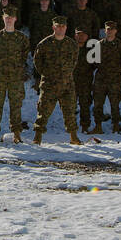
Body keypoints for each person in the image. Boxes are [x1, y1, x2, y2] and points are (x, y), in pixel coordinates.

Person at [31, 16, 82, 145]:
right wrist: (48, 74)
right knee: (43, 110)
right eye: (58, 26)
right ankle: (37, 137)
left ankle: (73, 137)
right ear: (53, 27)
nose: (60, 29)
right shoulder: (44, 44)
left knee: (70, 110)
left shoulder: (71, 44)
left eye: (63, 26)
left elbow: (74, 62)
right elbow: (37, 62)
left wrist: (65, 74)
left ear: (66, 28)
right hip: (49, 83)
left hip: (67, 83)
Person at [0, 6, 29, 143]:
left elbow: (24, 56)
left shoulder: (21, 38)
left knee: (16, 105)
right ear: (3, 19)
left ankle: (16, 134)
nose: (9, 19)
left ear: (15, 19)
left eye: (11, 17)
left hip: (15, 77)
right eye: (6, 17)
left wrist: (15, 68)